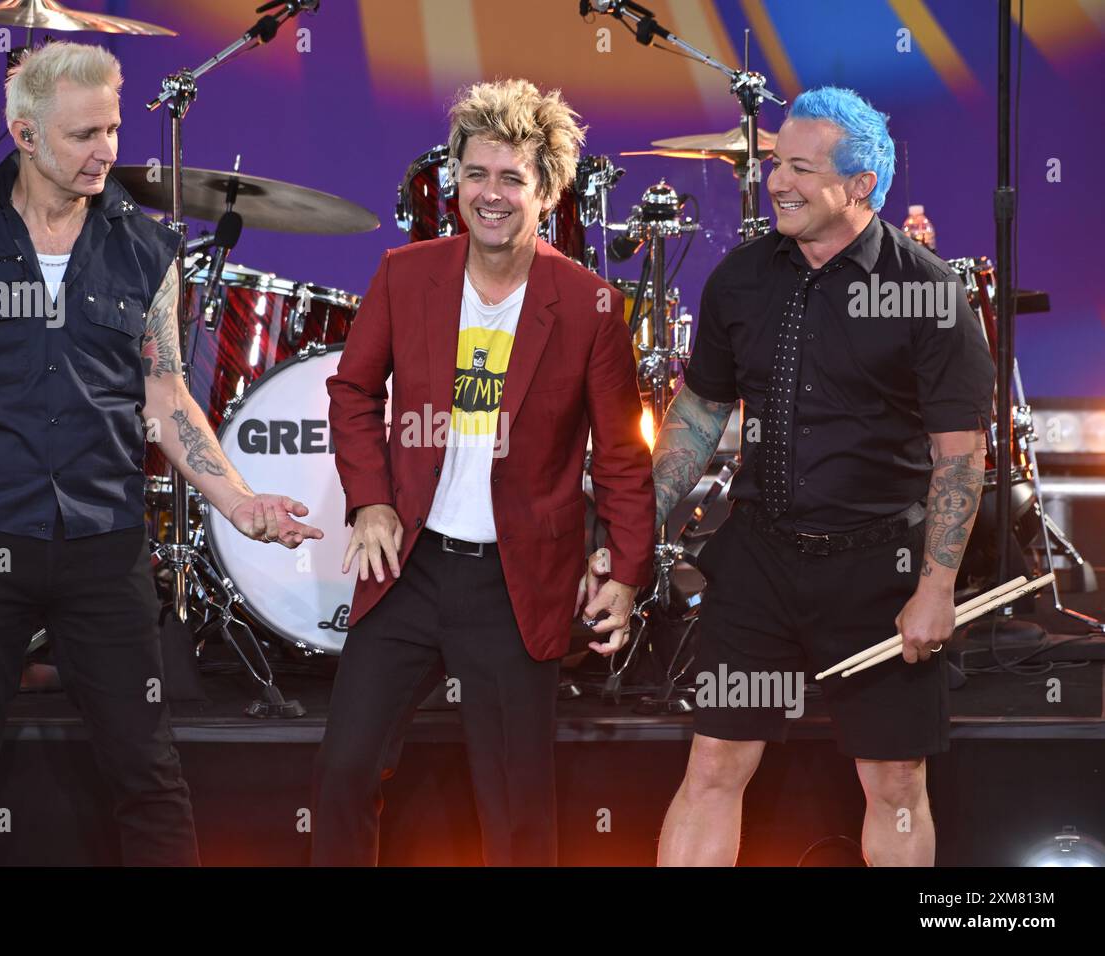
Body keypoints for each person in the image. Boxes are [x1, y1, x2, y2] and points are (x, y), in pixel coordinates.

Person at [0, 41, 322, 866]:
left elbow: (165, 396)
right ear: (23, 133)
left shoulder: (147, 250)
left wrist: (239, 502)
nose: (107, 152)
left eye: (115, 131)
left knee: (146, 767)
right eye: (85, 134)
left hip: (104, 540)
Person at [649, 87, 994, 866]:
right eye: (776, 163)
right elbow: (699, 412)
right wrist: (646, 516)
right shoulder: (741, 277)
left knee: (896, 781)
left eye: (800, 168)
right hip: (760, 560)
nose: (776, 182)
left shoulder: (929, 291)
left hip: (880, 571)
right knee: (713, 764)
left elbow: (959, 455)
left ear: (861, 184)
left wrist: (935, 589)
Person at [314, 78, 654, 866]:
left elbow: (625, 459)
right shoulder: (407, 274)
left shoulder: (591, 305)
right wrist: (370, 503)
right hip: (411, 567)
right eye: (475, 174)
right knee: (344, 769)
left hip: (515, 581)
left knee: (516, 810)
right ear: (453, 179)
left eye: (511, 179)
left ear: (548, 192)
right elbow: (353, 390)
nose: (489, 195)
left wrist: (627, 576)